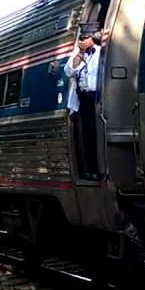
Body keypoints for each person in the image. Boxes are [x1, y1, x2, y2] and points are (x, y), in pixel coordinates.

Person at [66, 31, 102, 180]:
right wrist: (80, 52)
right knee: (87, 134)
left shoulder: (102, 52)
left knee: (96, 132)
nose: (83, 41)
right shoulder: (79, 53)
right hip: (83, 97)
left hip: (97, 96)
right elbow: (69, 71)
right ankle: (91, 169)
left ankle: (100, 168)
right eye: (81, 38)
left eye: (86, 38)